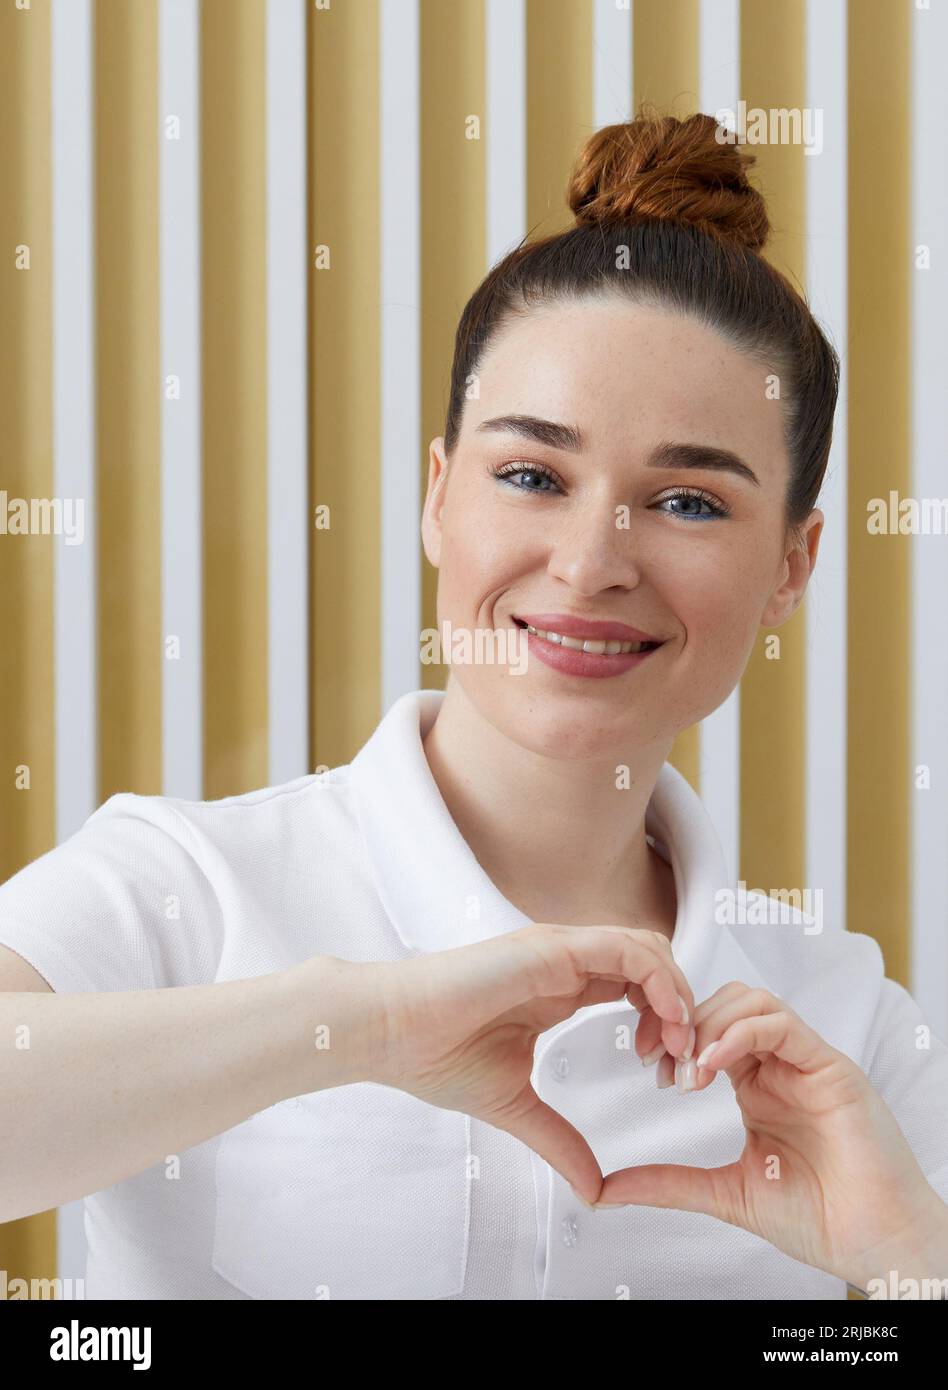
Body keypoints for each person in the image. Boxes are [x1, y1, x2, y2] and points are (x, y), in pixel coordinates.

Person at [1, 111, 947, 1302]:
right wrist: (363, 1022)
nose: (591, 560)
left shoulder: (845, 1019)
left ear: (793, 568)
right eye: (532, 476)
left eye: (691, 502)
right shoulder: (179, 885)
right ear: (440, 498)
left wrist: (911, 1267)